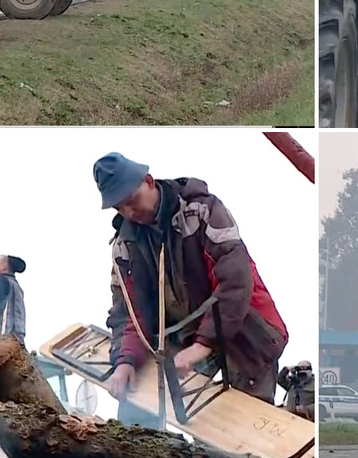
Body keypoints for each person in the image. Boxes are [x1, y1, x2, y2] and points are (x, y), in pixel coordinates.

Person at [94, 153, 289, 414]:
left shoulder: (204, 211)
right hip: (185, 341)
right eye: (120, 207)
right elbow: (129, 314)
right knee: (140, 407)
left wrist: (202, 345)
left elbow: (235, 283)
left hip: (248, 334)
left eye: (132, 200)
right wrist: (124, 360)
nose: (129, 212)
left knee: (250, 427)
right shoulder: (124, 249)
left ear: (149, 181)